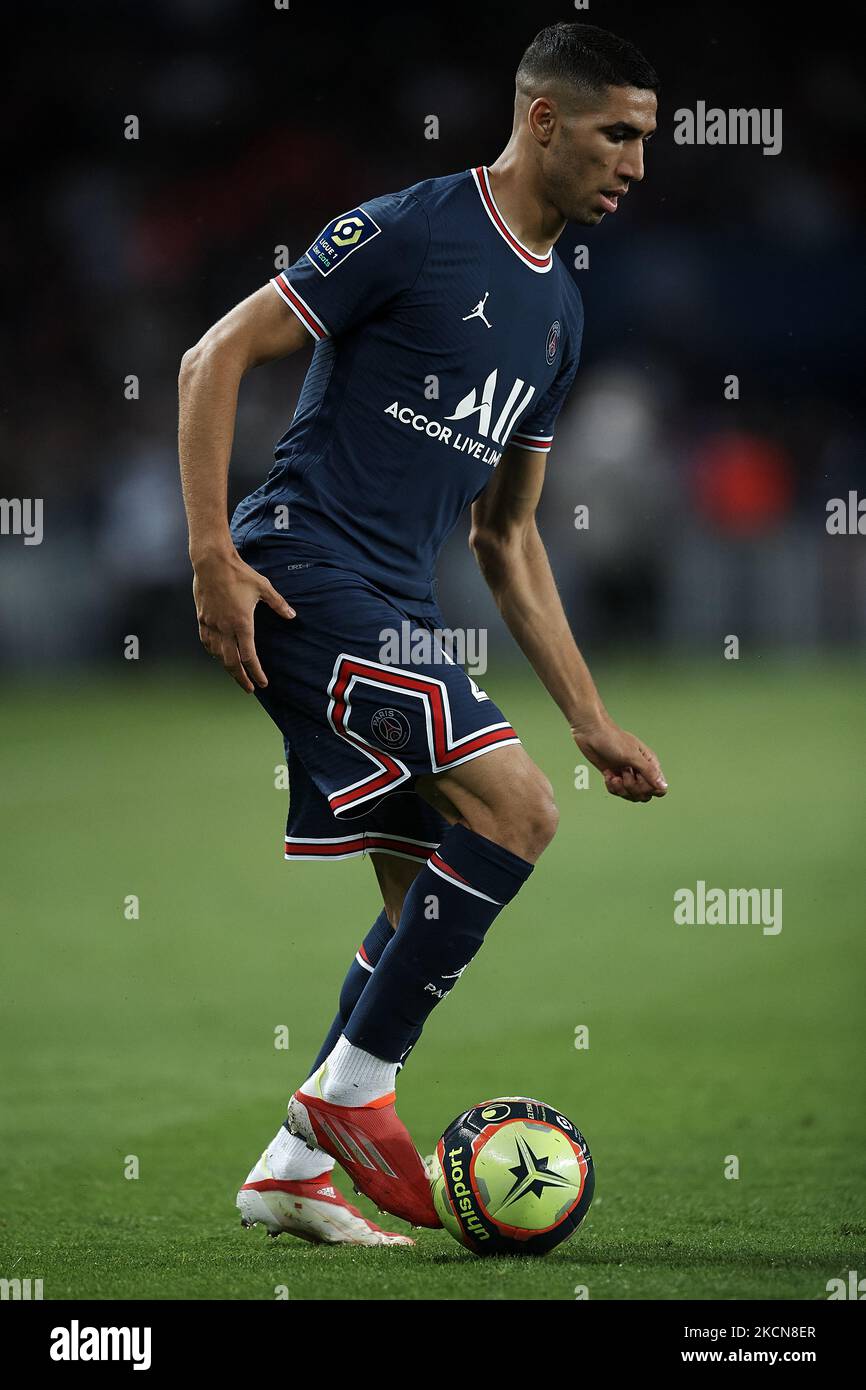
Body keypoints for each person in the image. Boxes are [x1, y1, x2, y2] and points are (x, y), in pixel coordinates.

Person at [178, 21, 666, 1247]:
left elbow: (507, 540)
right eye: (618, 133)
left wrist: (592, 718)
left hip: (401, 608)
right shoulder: (412, 228)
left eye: (647, 138)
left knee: (416, 916)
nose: (636, 164)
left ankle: (290, 1170)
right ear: (543, 119)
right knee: (518, 809)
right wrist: (210, 555)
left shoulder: (558, 315)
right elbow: (212, 354)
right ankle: (349, 1100)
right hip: (300, 570)